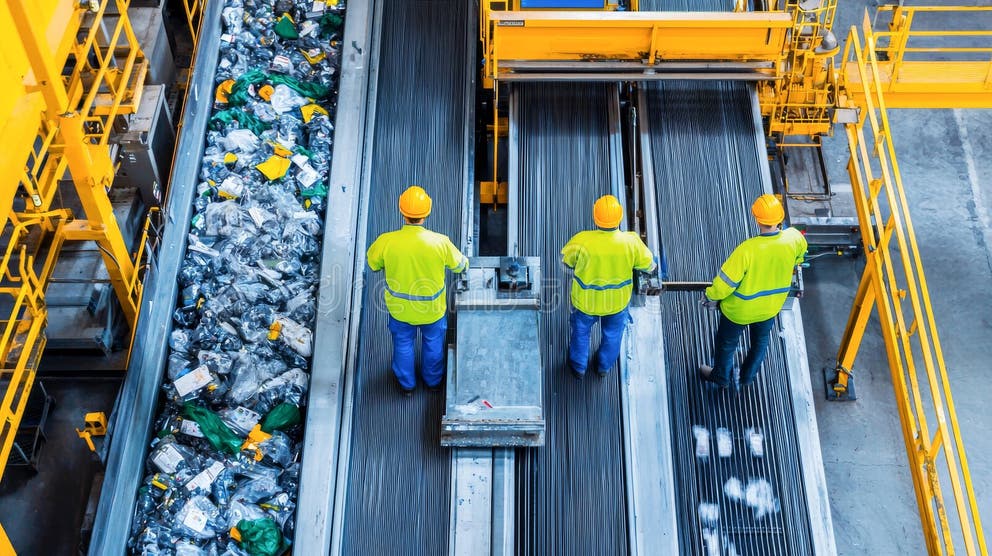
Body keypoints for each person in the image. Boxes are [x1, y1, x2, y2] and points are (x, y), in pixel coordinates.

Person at [367, 185, 468, 396]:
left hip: (400, 310)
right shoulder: (440, 242)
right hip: (432, 310)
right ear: (427, 213)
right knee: (433, 345)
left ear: (401, 211)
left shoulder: (386, 241)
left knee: (403, 345)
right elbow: (460, 266)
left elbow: (373, 264)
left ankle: (407, 385)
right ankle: (433, 381)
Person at [698, 194, 807, 389]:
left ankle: (721, 377)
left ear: (757, 219)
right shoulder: (794, 238)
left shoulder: (747, 250)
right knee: (760, 343)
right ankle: (748, 377)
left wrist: (710, 296)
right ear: (780, 217)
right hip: (770, 308)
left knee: (727, 344)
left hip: (738, 311)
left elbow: (725, 284)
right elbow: (800, 257)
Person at [562, 194, 656, 379]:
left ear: (595, 217)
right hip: (617, 304)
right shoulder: (631, 241)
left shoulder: (582, 240)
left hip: (585, 303)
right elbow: (650, 266)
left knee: (581, 333)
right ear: (619, 217)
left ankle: (578, 367)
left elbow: (566, 261)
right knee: (613, 335)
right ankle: (603, 367)